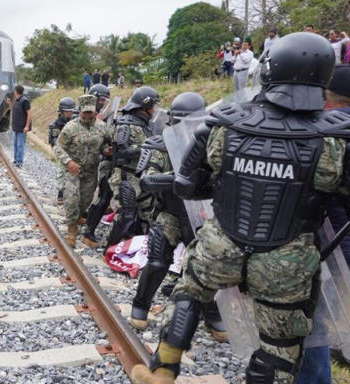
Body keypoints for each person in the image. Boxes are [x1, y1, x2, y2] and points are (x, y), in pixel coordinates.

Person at [132, 32, 350, 384]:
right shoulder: (335, 141)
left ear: (269, 69)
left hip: (222, 244)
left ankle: (164, 368)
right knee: (281, 343)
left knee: (190, 291)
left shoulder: (223, 124)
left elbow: (187, 185)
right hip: (286, 259)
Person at [128, 92, 227, 343]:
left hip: (201, 212)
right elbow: (147, 180)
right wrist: (179, 179)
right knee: (158, 262)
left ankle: (213, 314)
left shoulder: (211, 143)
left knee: (207, 265)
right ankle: (141, 304)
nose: (192, 128)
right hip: (169, 211)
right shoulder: (159, 144)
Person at [296, 64, 350, 384]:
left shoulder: (321, 132)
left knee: (312, 323)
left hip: (333, 251)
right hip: (338, 244)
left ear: (326, 98)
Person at [106, 86, 160, 247]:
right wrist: (146, 148)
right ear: (144, 107)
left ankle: (140, 247)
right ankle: (110, 247)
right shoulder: (125, 124)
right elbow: (123, 150)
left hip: (143, 176)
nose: (154, 110)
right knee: (126, 215)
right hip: (126, 177)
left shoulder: (147, 125)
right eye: (152, 107)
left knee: (149, 214)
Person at [54, 94, 109, 246]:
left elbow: (105, 144)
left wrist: (106, 150)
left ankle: (78, 216)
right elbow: (58, 147)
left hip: (90, 171)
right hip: (72, 170)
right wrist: (68, 162)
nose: (87, 115)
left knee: (86, 200)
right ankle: (72, 228)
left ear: (95, 112)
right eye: (85, 112)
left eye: (90, 112)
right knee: (71, 199)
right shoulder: (70, 127)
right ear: (80, 111)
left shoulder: (102, 127)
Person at [82, 83, 116, 248]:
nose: (103, 103)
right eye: (101, 99)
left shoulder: (106, 115)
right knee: (98, 196)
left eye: (105, 100)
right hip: (87, 160)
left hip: (102, 159)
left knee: (104, 196)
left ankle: (88, 223)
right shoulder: (86, 113)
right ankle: (87, 229)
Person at [49, 97, 78, 203]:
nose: (69, 114)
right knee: (62, 173)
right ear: (61, 111)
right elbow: (54, 142)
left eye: (71, 111)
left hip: (75, 152)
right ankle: (61, 194)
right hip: (62, 152)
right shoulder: (55, 125)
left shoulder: (76, 123)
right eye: (67, 111)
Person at [7, 85, 32, 168]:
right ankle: (16, 159)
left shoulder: (25, 101)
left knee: (20, 145)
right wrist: (10, 103)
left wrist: (27, 126)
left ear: (16, 91)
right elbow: (14, 109)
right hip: (16, 127)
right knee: (15, 144)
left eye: (14, 91)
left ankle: (19, 162)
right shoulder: (17, 100)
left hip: (22, 127)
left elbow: (29, 114)